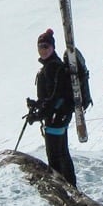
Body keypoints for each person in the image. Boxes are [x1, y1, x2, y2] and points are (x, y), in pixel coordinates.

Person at [27, 28, 78, 187]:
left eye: (46, 46)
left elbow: (55, 98)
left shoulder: (53, 68)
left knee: (56, 155)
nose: (42, 50)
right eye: (40, 47)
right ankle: (70, 187)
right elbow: (50, 97)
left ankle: (62, 189)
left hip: (56, 117)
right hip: (59, 116)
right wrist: (37, 105)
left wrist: (38, 115)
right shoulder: (53, 66)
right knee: (62, 153)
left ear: (53, 47)